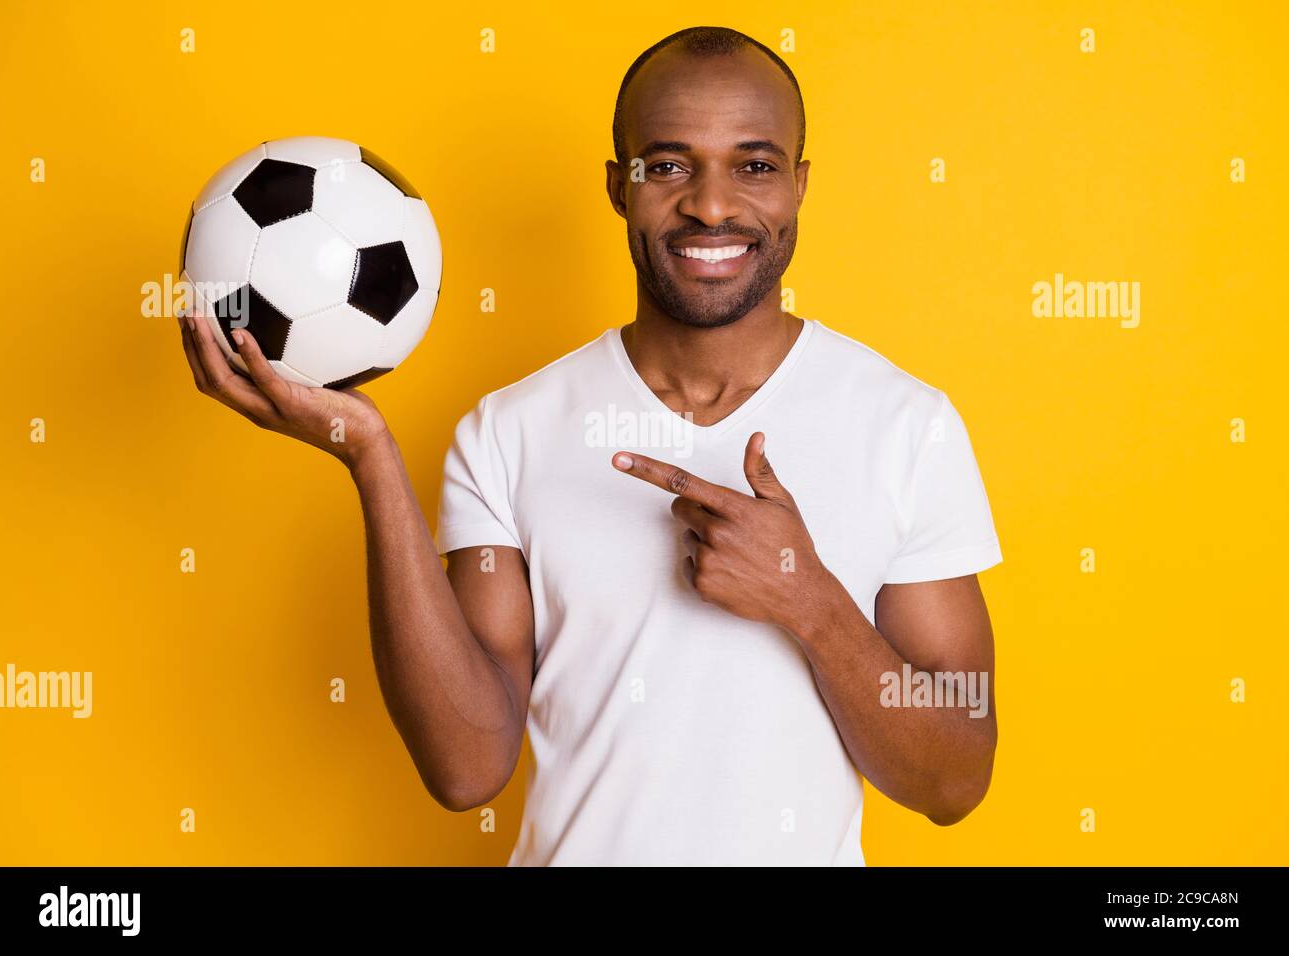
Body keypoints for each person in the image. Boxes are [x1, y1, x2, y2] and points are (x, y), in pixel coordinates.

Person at [179, 25, 1003, 866]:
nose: (712, 205)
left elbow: (954, 780)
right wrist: (370, 455)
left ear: (798, 186)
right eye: (669, 164)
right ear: (620, 186)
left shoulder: (909, 426)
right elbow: (467, 768)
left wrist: (807, 600)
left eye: (753, 165)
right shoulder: (507, 432)